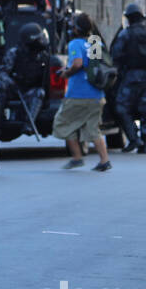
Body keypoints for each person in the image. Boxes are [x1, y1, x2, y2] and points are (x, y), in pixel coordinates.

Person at [52, 12, 111, 171]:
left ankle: (77, 157)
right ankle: (104, 160)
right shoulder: (95, 42)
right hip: (96, 94)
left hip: (78, 94)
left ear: (76, 29)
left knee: (64, 123)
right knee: (93, 128)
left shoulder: (75, 44)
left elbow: (78, 64)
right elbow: (93, 67)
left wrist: (66, 73)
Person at [110, 3, 146, 154]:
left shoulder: (126, 34)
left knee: (121, 107)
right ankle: (145, 144)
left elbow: (115, 55)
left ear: (129, 18)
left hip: (131, 76)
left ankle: (134, 138)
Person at [0, 21, 50, 136]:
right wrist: (11, 83)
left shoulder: (43, 56)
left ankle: (28, 125)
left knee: (39, 92)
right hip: (14, 89)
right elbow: (2, 73)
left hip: (29, 91)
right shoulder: (14, 53)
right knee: (0, 87)